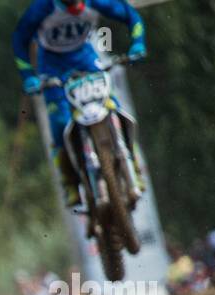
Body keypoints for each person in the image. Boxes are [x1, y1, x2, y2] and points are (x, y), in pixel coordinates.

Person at [12, 0, 146, 210]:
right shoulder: (43, 7)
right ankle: (69, 182)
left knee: (112, 105)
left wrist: (138, 42)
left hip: (85, 58)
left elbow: (131, 15)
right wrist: (28, 75)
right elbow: (19, 39)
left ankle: (134, 165)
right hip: (52, 66)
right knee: (60, 122)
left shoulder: (95, 1)